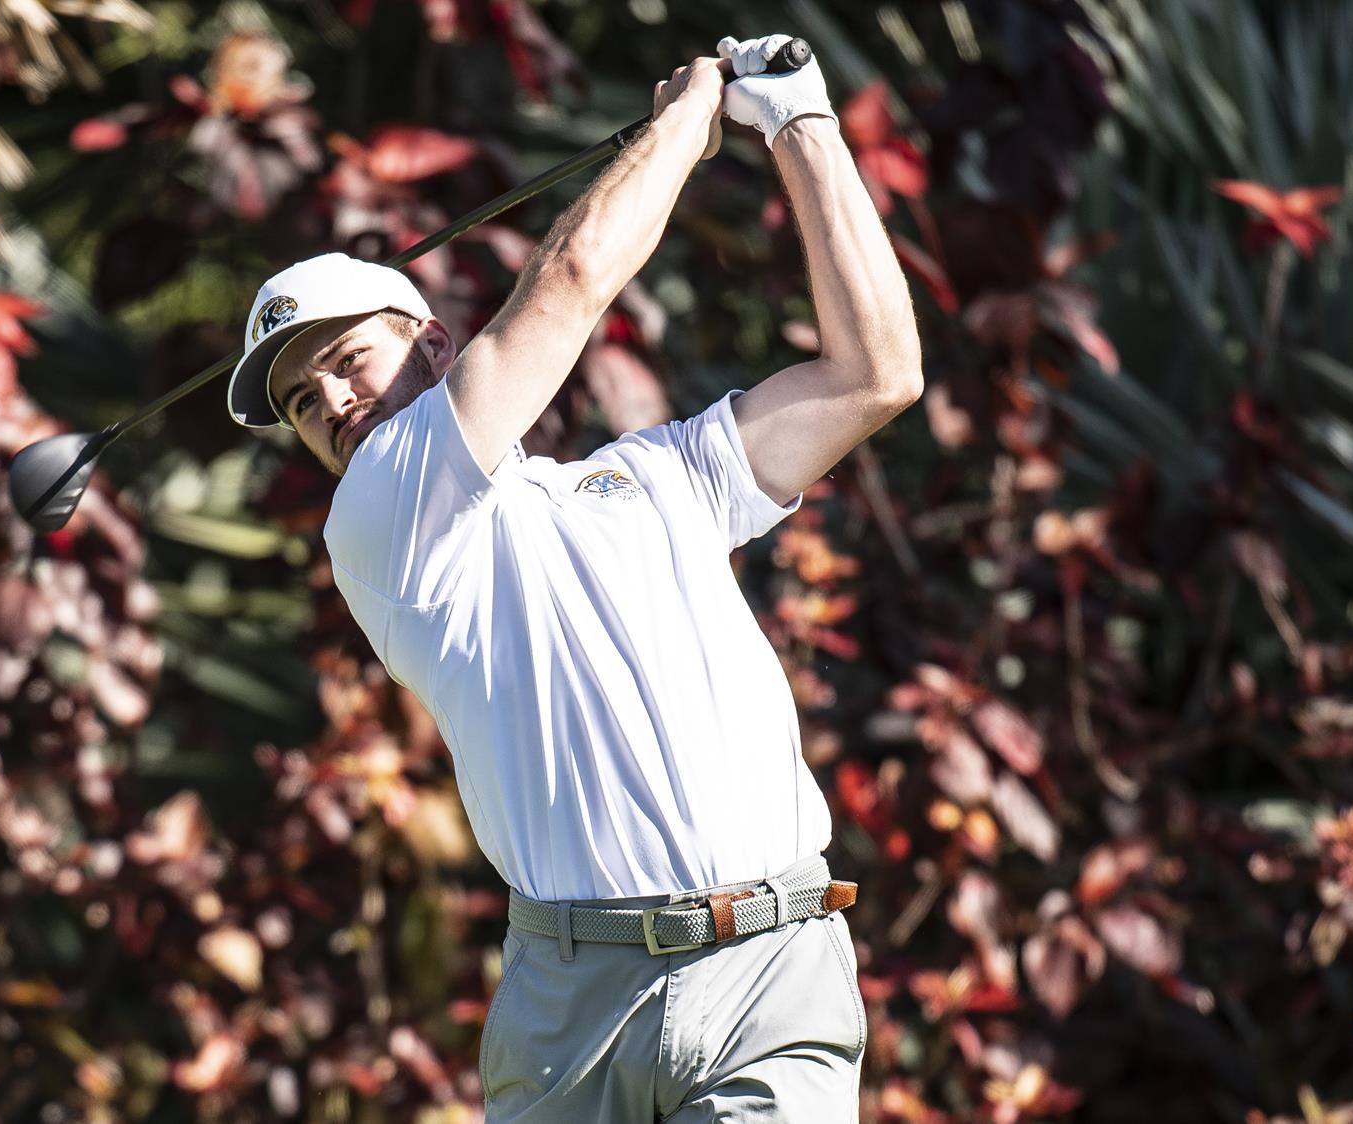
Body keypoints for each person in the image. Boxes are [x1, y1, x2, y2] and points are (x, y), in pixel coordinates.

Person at [225, 34, 920, 1123]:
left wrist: (799, 122)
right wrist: (685, 124)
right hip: (571, 1016)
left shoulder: (651, 477)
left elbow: (872, 376)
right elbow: (571, 279)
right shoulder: (378, 524)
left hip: (769, 972)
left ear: (435, 346)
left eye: (347, 361)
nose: (334, 405)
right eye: (303, 404)